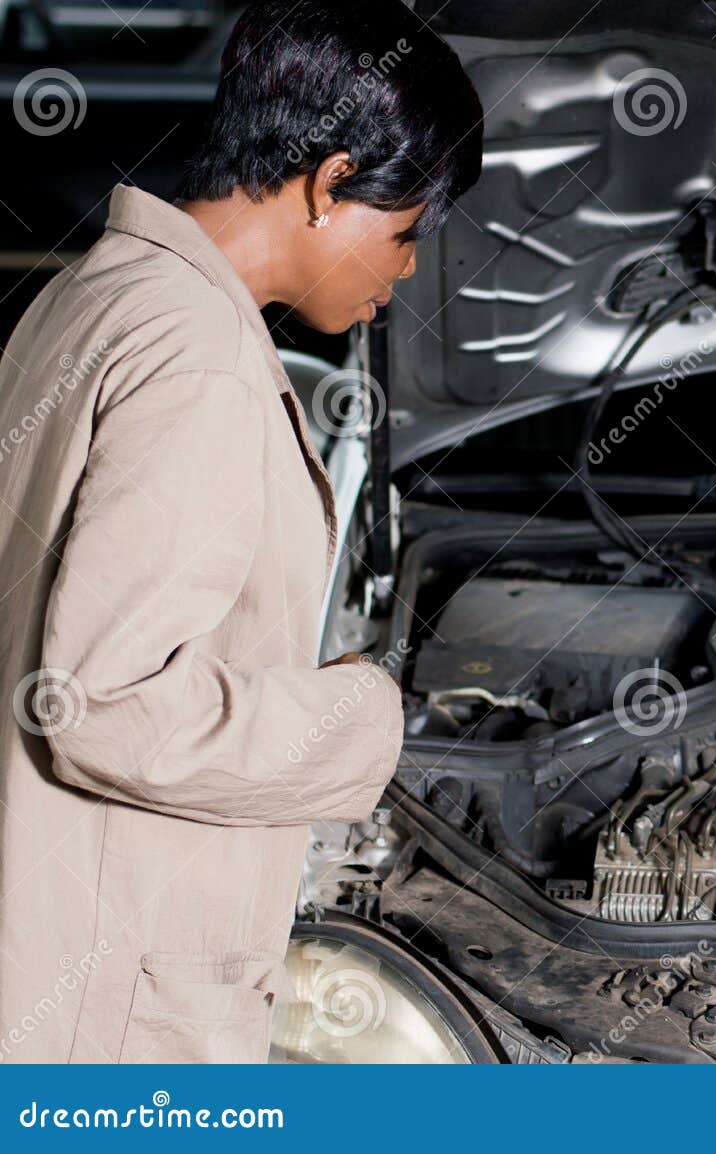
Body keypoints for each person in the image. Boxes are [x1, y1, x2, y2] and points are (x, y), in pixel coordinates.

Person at [0, 0, 481, 1062]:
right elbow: (100, 705)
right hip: (104, 1014)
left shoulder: (95, 295)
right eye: (403, 236)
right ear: (327, 185)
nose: (401, 277)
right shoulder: (199, 356)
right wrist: (353, 714)